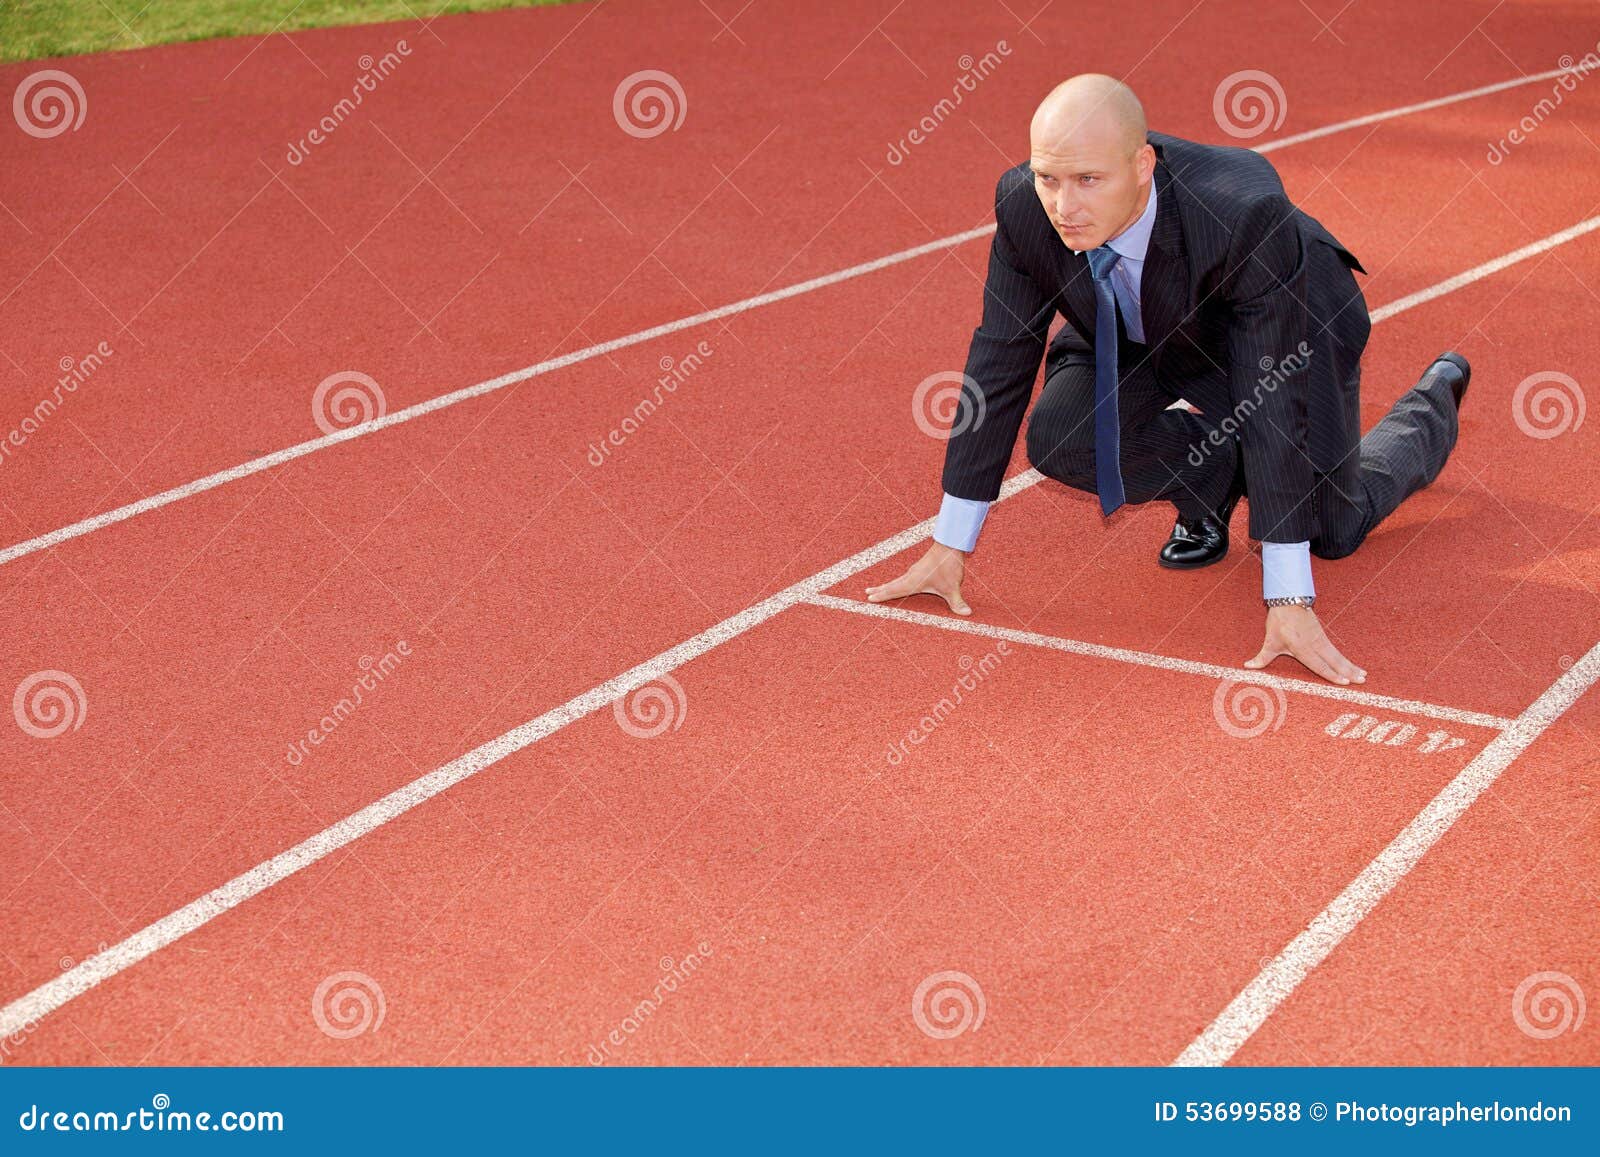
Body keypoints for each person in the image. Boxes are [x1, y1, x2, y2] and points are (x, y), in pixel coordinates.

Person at [865, 74, 1469, 687]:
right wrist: (950, 543)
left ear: (1143, 164)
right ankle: (1213, 476)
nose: (1063, 206)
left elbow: (1273, 398)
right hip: (1131, 326)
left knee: (1333, 533)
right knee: (1066, 437)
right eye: (1049, 177)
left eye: (1088, 181)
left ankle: (1432, 405)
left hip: (1284, 325)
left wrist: (1288, 599)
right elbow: (1002, 353)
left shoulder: (1242, 212)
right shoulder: (1025, 205)